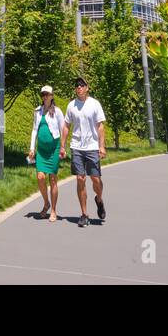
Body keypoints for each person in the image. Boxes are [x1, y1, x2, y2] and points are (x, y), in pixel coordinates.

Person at [62, 77, 107, 228]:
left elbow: (100, 126)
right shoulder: (71, 106)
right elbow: (67, 126)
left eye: (82, 85)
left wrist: (101, 146)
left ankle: (99, 200)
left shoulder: (95, 104)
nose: (79, 87)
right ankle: (84, 214)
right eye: (77, 86)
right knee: (80, 179)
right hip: (77, 147)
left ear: (87, 87)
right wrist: (63, 146)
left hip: (92, 147)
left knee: (95, 180)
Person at [27, 85, 65, 222]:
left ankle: (53, 210)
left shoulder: (58, 111)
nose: (44, 96)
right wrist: (32, 148)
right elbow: (34, 130)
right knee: (40, 177)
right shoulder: (37, 111)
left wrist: (63, 147)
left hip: (54, 149)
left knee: (53, 179)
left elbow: (63, 130)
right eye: (43, 94)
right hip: (42, 151)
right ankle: (46, 203)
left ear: (52, 96)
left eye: (47, 94)